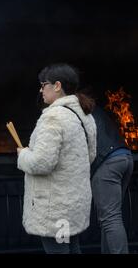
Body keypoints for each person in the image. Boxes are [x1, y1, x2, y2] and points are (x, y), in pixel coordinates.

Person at [17, 63, 97, 254]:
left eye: (44, 84)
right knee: (73, 248)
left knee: (59, 251)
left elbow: (41, 163)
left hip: (55, 208)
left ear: (57, 86)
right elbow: (90, 156)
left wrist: (24, 154)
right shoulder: (84, 115)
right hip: (75, 203)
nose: (41, 89)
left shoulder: (53, 117)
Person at [91, 105, 133, 254]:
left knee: (110, 219)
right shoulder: (94, 109)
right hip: (125, 156)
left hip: (106, 162)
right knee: (110, 217)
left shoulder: (68, 111)